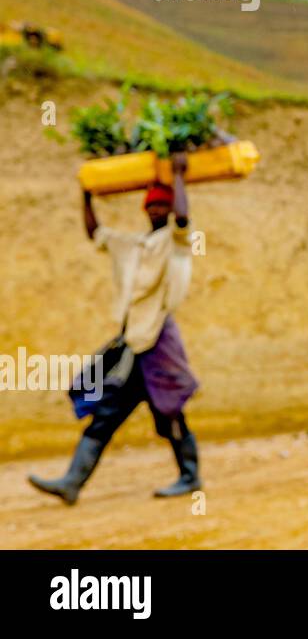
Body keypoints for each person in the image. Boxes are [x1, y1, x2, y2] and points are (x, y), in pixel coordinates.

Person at [28, 153, 202, 505]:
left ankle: (190, 476)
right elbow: (96, 232)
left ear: (168, 209)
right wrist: (86, 193)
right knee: (106, 411)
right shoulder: (132, 247)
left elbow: (184, 218)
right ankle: (72, 482)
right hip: (132, 346)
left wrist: (179, 175)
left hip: (159, 344)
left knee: (168, 411)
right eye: (151, 206)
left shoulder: (176, 242)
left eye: (161, 206)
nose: (156, 211)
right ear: (144, 210)